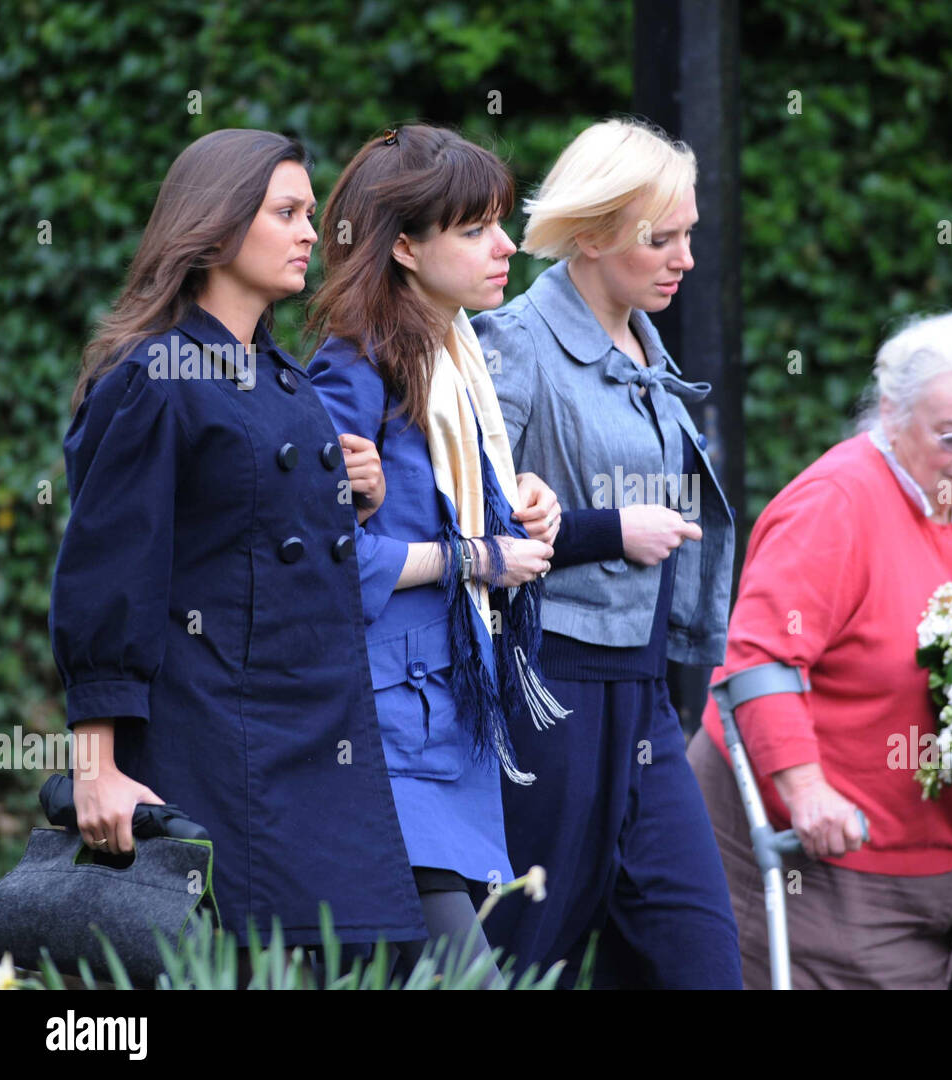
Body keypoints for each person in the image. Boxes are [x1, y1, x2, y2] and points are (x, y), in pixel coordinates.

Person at [50, 129, 426, 967]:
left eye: (307, 213)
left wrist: (354, 497)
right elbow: (107, 578)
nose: (308, 234)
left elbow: (267, 544)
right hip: (216, 750)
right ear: (216, 227)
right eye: (285, 213)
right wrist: (94, 768)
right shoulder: (156, 378)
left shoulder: (284, 378)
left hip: (316, 748)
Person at [472, 117, 741, 989]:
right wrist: (608, 531)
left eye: (689, 234)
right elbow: (473, 524)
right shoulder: (511, 346)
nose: (685, 258)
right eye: (659, 239)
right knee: (521, 958)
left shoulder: (645, 351)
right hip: (548, 697)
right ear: (589, 235)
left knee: (697, 961)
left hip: (646, 699)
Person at [686, 310, 952, 989]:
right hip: (826, 857)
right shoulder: (836, 503)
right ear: (892, 415)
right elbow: (761, 659)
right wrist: (806, 790)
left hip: (931, 849)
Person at [305, 123, 564, 982]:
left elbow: (450, 500)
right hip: (383, 732)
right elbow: (327, 565)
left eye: (501, 221)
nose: (507, 245)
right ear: (406, 247)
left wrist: (524, 503)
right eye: (475, 229)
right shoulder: (353, 368)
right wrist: (477, 558)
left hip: (445, 714)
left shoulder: (455, 356)